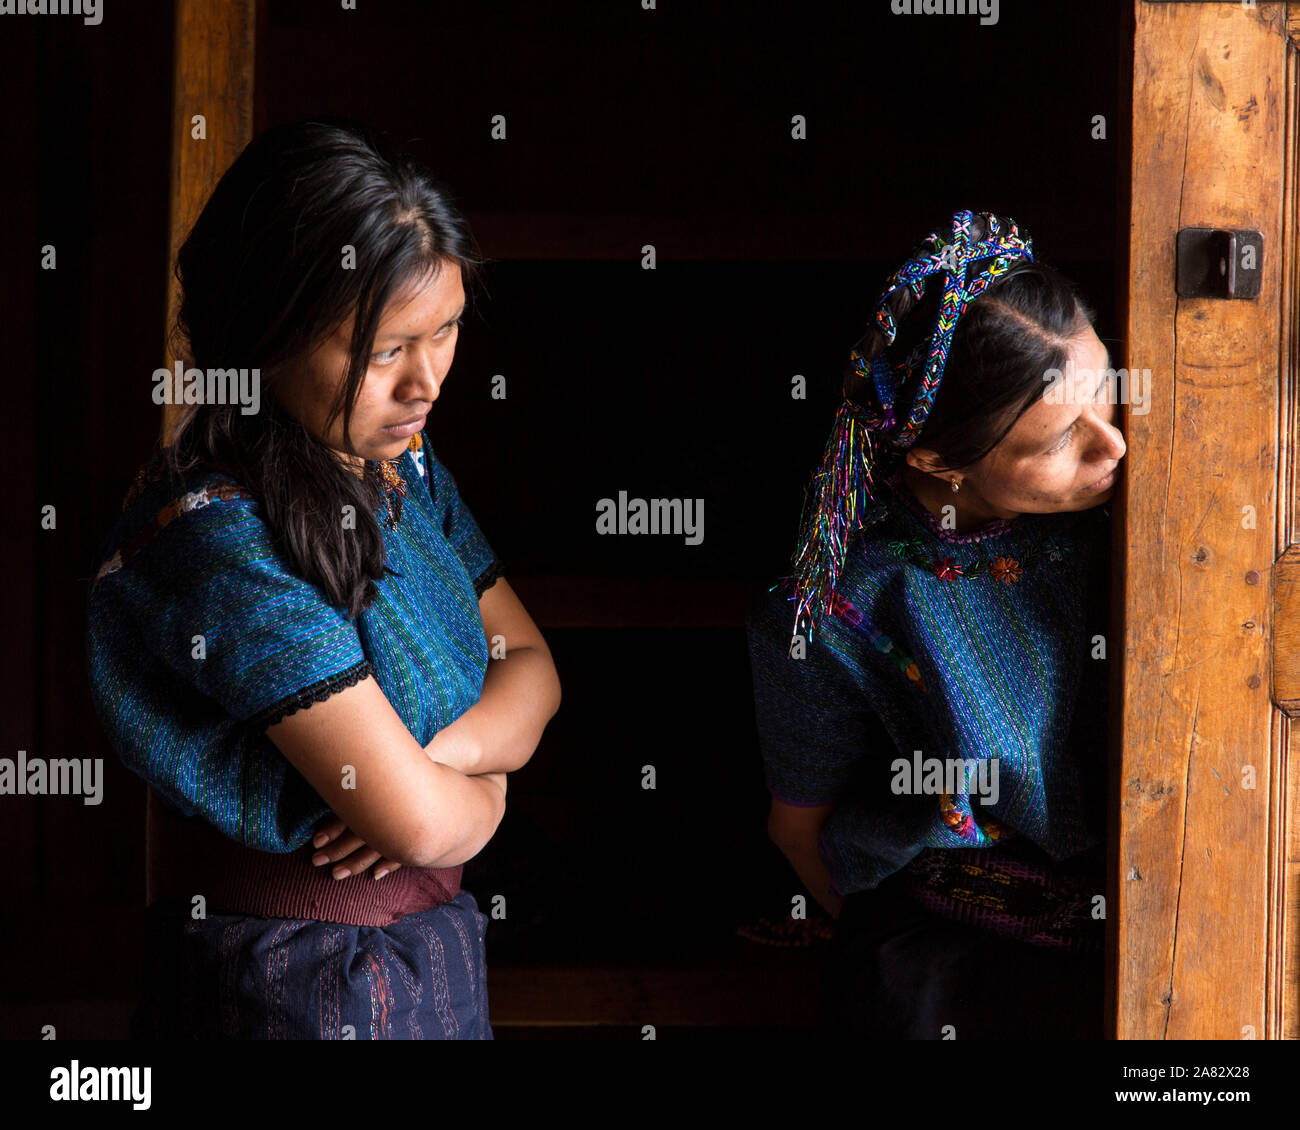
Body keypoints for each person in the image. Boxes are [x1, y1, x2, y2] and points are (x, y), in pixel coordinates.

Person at [85, 117, 561, 1040]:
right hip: (289, 983)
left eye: (448, 331)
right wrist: (493, 784)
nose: (426, 382)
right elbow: (422, 828)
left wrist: (453, 760)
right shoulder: (217, 532)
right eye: (385, 351)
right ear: (266, 334)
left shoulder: (405, 472)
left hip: (433, 954)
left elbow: (535, 667)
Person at [746, 210, 1121, 1039]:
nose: (1114, 446)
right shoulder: (836, 611)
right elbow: (799, 834)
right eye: (1063, 438)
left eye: (1111, 392)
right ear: (939, 461)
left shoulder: (1128, 526)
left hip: (1147, 945)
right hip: (945, 976)